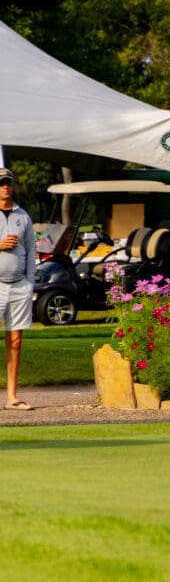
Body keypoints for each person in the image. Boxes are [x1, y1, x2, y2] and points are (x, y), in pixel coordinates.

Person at [0, 168, 35, 410]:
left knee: (15, 341)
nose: (5, 187)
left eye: (8, 182)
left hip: (20, 285)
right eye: (1, 183)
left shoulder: (23, 216)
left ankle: (12, 396)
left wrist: (30, 283)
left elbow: (32, 252)